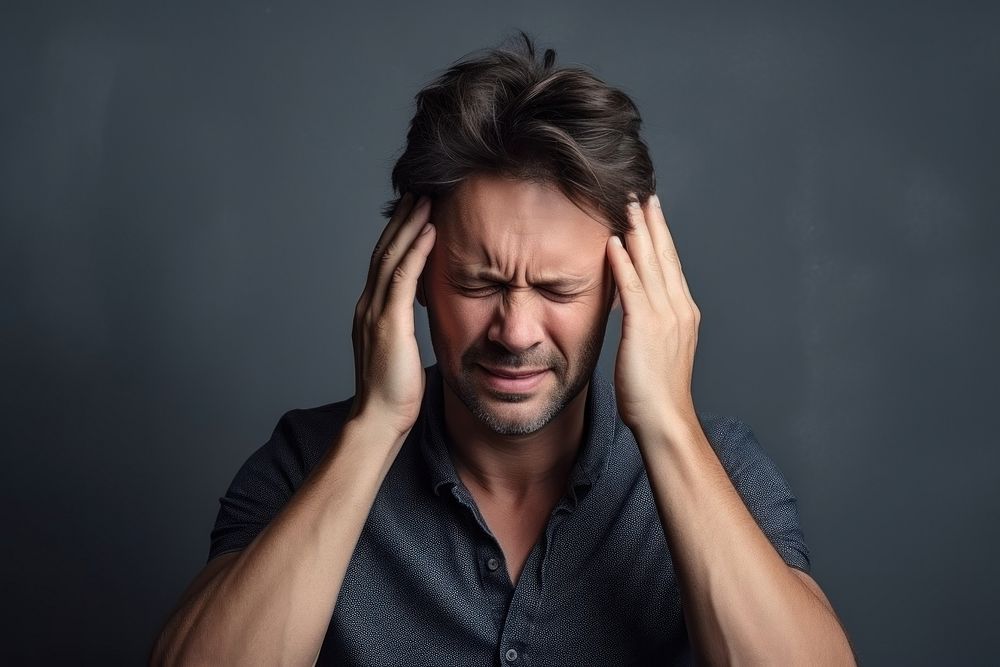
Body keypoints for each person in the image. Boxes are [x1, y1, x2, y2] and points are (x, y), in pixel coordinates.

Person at [151, 32, 856, 666]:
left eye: (558, 289)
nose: (515, 332)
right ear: (414, 275)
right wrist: (372, 432)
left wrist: (668, 427)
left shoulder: (721, 471)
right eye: (478, 281)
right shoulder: (308, 459)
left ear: (625, 290)